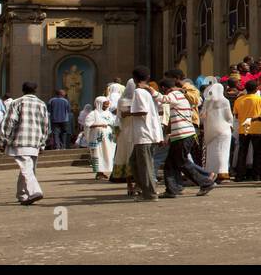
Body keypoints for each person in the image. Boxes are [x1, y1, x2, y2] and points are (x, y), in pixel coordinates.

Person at [163, 76, 217, 196]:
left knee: (181, 162)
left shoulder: (176, 94)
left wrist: (150, 91)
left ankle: (206, 180)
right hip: (183, 133)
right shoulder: (184, 95)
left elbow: (163, 99)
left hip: (182, 134)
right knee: (172, 162)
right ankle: (173, 188)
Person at [0, 81, 50, 205]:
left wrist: (3, 139)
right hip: (35, 141)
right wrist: (43, 142)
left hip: (20, 140)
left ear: (23, 90)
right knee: (28, 167)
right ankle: (22, 194)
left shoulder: (17, 102)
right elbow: (46, 125)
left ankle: (33, 192)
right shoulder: (41, 104)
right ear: (35, 90)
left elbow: (9, 122)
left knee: (26, 168)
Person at [124, 67, 164, 201]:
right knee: (134, 162)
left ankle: (150, 193)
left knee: (144, 165)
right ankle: (143, 188)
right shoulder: (149, 92)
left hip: (144, 134)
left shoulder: (139, 92)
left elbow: (142, 111)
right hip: (145, 133)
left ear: (134, 79)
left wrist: (128, 113)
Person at [232, 80, 261, 182]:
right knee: (258, 153)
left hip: (243, 129)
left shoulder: (238, 100)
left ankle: (240, 175)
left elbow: (236, 115)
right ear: (256, 89)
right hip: (257, 129)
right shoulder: (260, 100)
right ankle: (257, 175)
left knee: (242, 152)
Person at [200, 81, 234, 181]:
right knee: (223, 152)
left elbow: (202, 117)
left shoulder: (207, 102)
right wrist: (231, 125)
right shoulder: (225, 101)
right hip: (224, 130)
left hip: (211, 131)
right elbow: (229, 116)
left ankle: (211, 173)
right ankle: (222, 173)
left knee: (212, 153)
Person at [84, 97, 116, 177]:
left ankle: (107, 171)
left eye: (107, 105)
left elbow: (113, 123)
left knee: (109, 154)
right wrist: (99, 125)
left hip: (109, 139)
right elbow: (88, 124)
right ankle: (99, 173)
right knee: (98, 154)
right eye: (105, 105)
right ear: (99, 104)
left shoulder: (109, 113)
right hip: (97, 139)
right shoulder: (93, 114)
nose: (106, 106)